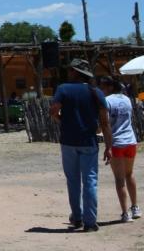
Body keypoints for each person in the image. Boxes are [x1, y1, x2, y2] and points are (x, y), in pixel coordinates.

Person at [49, 58, 113, 231]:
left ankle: (77, 218)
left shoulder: (63, 89)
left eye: (70, 70)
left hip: (68, 141)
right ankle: (90, 222)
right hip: (89, 141)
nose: (68, 72)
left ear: (75, 72)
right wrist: (109, 146)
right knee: (90, 181)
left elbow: (53, 111)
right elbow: (105, 123)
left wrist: (63, 120)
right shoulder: (95, 92)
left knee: (73, 181)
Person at [100, 76, 139, 222]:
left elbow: (105, 124)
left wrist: (107, 146)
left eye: (103, 86)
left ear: (110, 87)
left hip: (116, 142)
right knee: (130, 174)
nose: (101, 89)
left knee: (119, 179)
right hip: (130, 141)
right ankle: (135, 207)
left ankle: (125, 213)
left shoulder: (107, 101)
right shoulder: (127, 99)